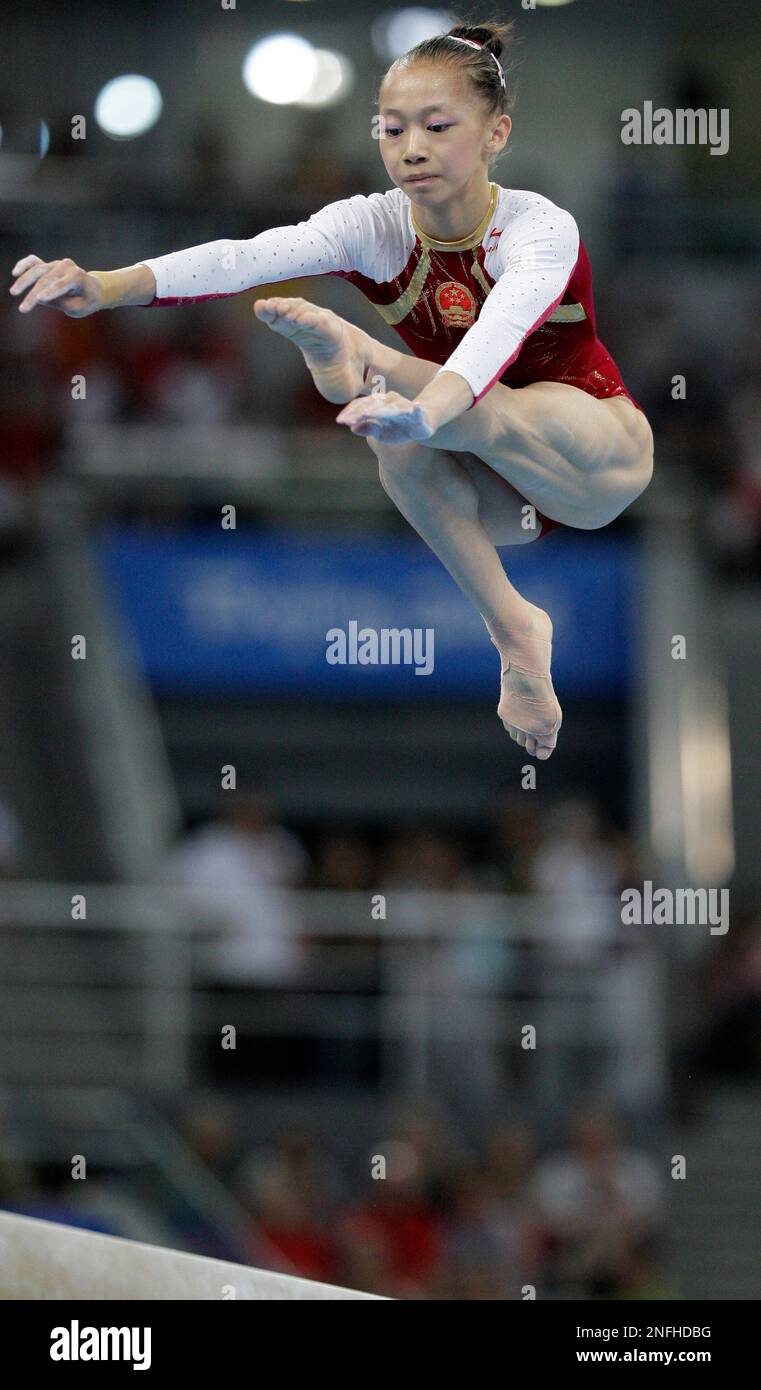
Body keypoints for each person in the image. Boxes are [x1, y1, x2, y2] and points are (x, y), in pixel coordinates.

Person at [8, 19, 654, 759]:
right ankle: (513, 626)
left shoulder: (538, 229)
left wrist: (425, 412)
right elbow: (240, 259)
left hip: (598, 450)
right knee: (393, 445)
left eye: (438, 126)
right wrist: (105, 284)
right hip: (500, 486)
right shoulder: (371, 225)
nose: (410, 148)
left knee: (446, 414)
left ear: (495, 133)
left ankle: (364, 355)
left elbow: (494, 341)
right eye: (390, 129)